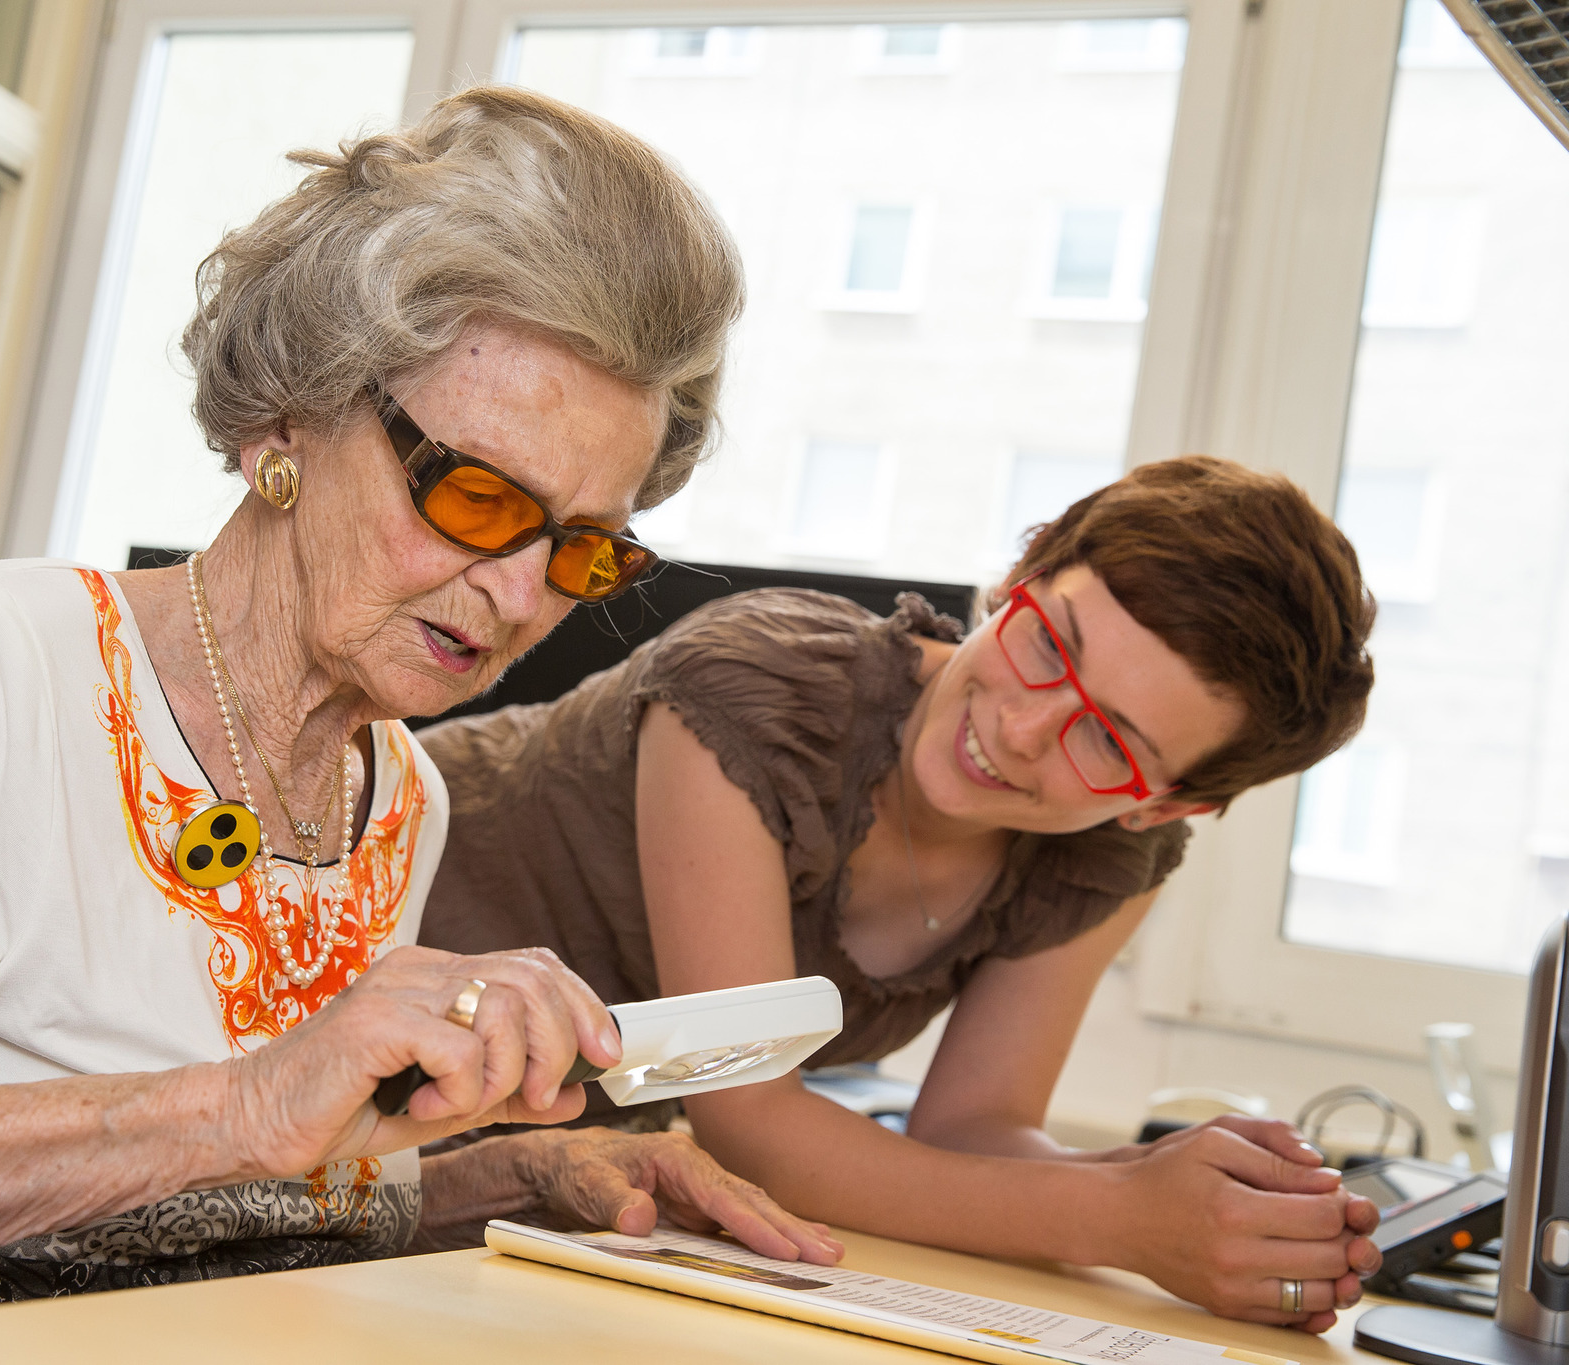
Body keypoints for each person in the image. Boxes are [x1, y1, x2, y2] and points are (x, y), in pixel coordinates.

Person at [0, 87, 843, 1333]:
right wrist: (251, 1100)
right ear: (290, 419)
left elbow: (233, 1210)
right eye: (478, 499)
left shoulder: (399, 793)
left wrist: (516, 1176)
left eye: (581, 550)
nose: (514, 592)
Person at [417, 455, 1384, 1333]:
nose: (1022, 728)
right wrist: (1130, 1219)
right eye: (1050, 644)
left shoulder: (1108, 856)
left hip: (529, 1163)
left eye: (1110, 742)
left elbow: (972, 1128)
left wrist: (1199, 1195)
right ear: (1025, 572)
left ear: (1167, 801)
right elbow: (749, 1119)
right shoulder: (760, 685)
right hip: (325, 979)